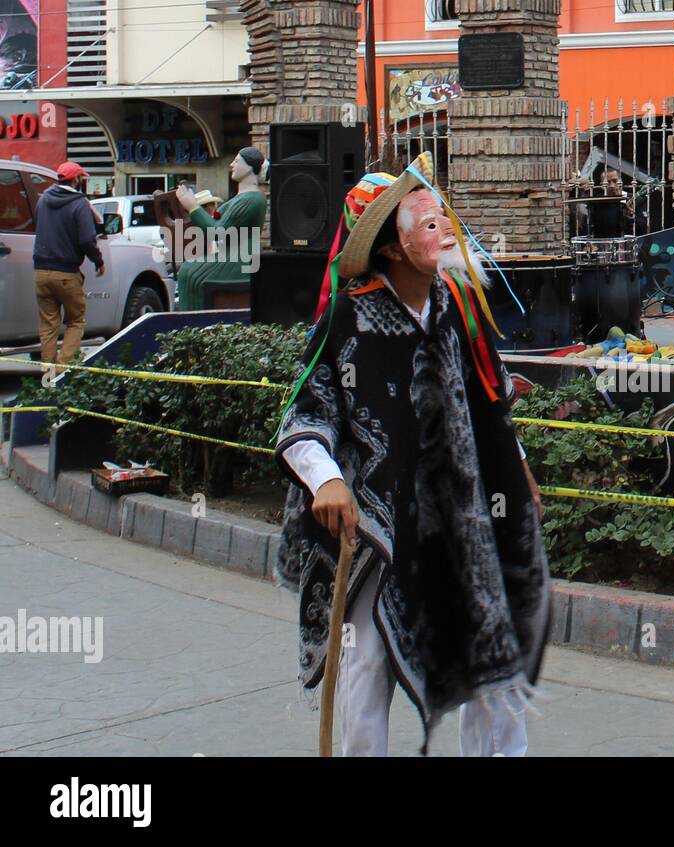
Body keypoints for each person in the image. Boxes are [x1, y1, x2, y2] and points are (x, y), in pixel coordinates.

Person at [275, 152, 550, 757]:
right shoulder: (348, 319)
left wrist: (516, 466)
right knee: (367, 667)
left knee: (491, 665)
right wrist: (327, 481)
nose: (445, 228)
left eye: (441, 218)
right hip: (378, 528)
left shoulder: (457, 309)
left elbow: (486, 401)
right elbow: (305, 414)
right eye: (426, 222)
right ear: (392, 249)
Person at [173, 147, 268, 310]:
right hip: (232, 255)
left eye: (237, 161)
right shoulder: (244, 198)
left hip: (241, 259)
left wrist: (193, 207)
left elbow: (219, 232)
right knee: (188, 269)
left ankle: (192, 322)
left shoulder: (252, 199)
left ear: (249, 167)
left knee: (188, 271)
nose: (231, 164)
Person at [32, 161, 104, 366]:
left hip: (40, 272)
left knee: (48, 325)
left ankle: (47, 372)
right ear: (76, 179)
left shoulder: (44, 199)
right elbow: (87, 239)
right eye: (82, 178)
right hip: (66, 272)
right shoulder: (79, 203)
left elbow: (38, 223)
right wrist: (98, 260)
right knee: (76, 321)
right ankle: (62, 371)